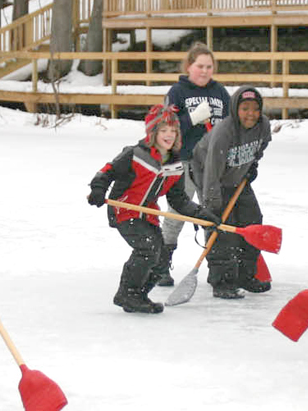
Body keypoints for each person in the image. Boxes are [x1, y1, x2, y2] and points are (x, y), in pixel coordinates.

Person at [88, 104, 218, 314]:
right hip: (124, 211)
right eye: (163, 130)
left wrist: (200, 214)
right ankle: (127, 293)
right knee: (148, 248)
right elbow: (107, 171)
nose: (169, 135)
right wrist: (98, 189)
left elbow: (179, 200)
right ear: (152, 133)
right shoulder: (135, 154)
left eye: (173, 130)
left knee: (162, 257)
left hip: (148, 214)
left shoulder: (175, 165)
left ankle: (139, 296)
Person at [155, 43, 228, 286]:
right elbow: (165, 129)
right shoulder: (177, 92)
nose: (205, 71)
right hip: (183, 161)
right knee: (177, 213)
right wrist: (192, 118)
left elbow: (230, 125)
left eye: (209, 67)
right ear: (189, 67)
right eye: (200, 66)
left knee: (212, 214)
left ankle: (217, 268)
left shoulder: (220, 92)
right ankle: (161, 266)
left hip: (211, 164)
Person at [190, 86, 272, 299]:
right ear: (236, 110)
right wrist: (212, 205)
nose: (251, 114)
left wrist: (252, 165)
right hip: (209, 175)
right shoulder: (224, 132)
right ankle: (222, 282)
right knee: (222, 229)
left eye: (255, 109)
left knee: (252, 221)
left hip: (237, 177)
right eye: (245, 108)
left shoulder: (263, 126)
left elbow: (261, 146)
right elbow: (211, 171)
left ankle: (245, 275)